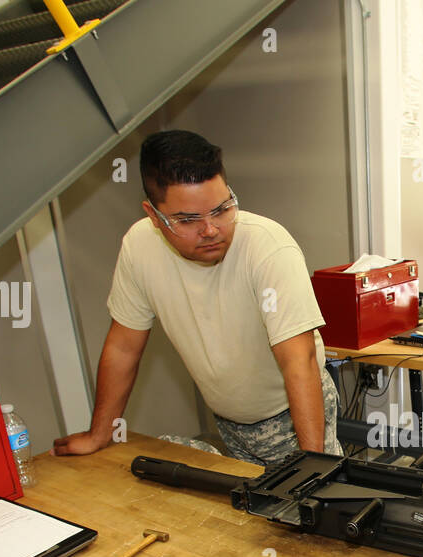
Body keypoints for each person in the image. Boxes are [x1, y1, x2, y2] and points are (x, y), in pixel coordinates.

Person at [53, 130, 340, 465]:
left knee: (308, 505)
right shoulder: (139, 247)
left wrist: (313, 469)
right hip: (227, 418)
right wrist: (99, 434)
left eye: (221, 209)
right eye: (188, 219)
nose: (210, 229)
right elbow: (123, 347)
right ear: (153, 215)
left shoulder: (267, 247)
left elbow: (299, 360)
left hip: (294, 416)